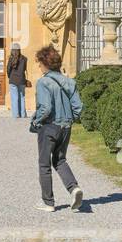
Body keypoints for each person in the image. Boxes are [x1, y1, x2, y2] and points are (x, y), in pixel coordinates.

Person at [30, 44, 84, 212]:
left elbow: (45, 108)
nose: (39, 66)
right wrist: (69, 120)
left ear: (45, 63)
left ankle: (48, 202)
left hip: (49, 127)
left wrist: (36, 121)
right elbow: (79, 107)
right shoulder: (69, 81)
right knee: (60, 160)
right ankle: (74, 188)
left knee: (44, 163)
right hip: (65, 127)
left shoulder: (43, 82)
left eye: (40, 63)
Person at [6, 42, 29, 119]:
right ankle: (23, 114)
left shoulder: (10, 58)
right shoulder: (24, 58)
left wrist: (10, 77)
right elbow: (25, 69)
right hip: (22, 79)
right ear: (19, 50)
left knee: (14, 98)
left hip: (13, 80)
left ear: (12, 50)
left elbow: (8, 69)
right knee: (22, 97)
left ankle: (16, 115)